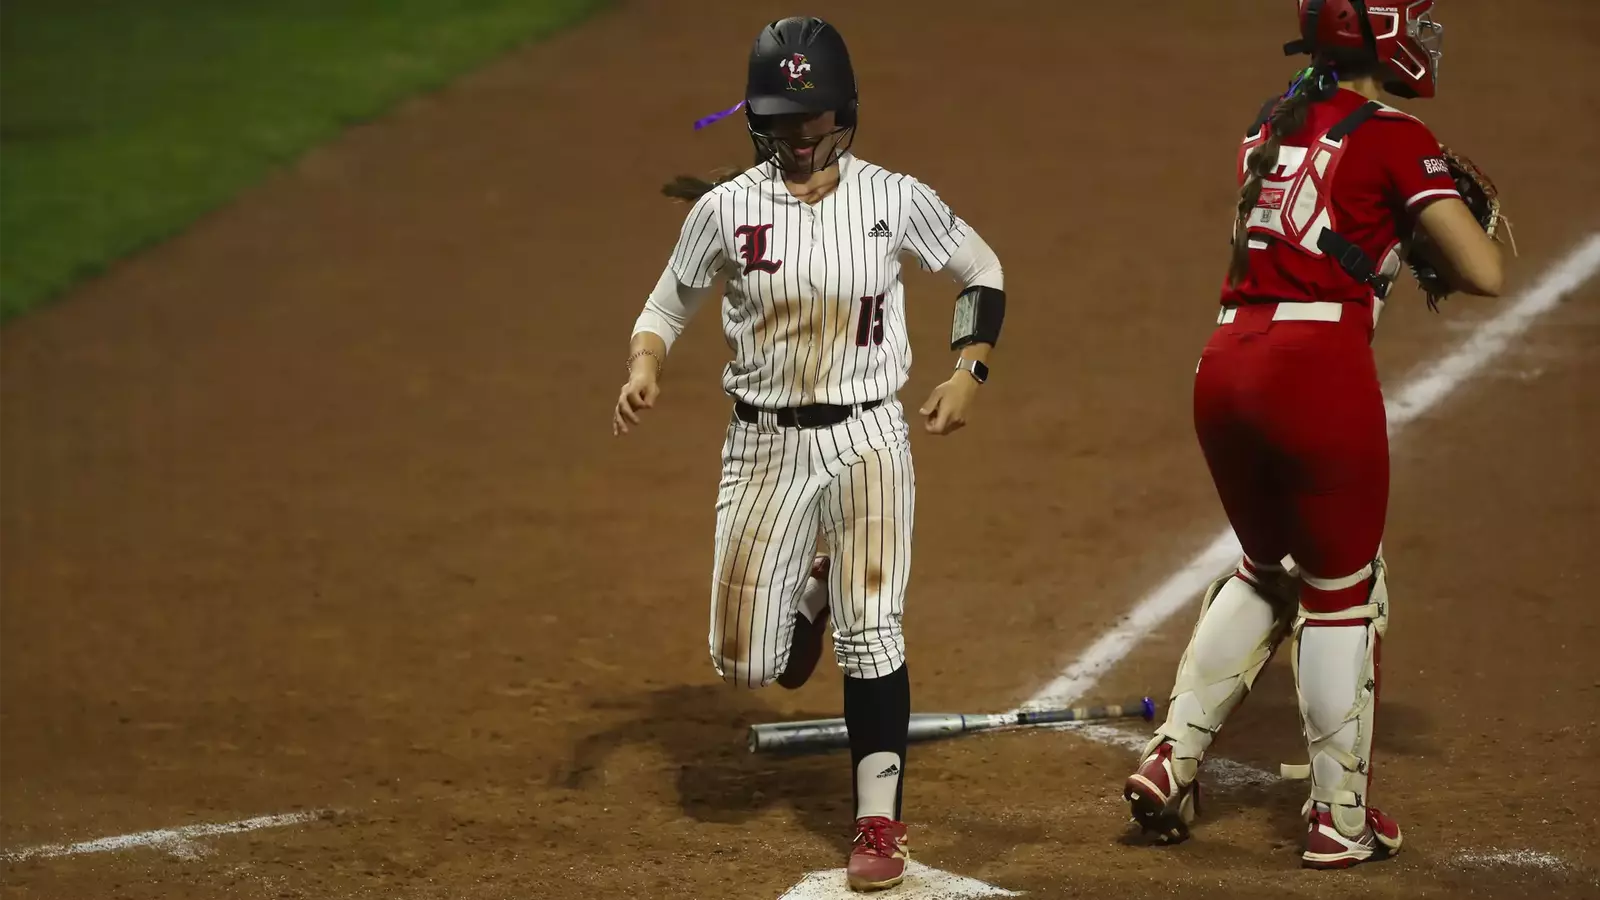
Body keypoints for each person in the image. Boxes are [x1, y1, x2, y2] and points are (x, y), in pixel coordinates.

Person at [612, 16, 1007, 891]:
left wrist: (968, 371)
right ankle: (811, 593)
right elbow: (664, 306)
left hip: (870, 434)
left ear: (844, 112)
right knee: (747, 663)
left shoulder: (894, 198)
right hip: (762, 444)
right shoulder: (724, 212)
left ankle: (877, 822)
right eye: (782, 120)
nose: (799, 135)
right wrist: (645, 367)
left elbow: (982, 270)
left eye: (813, 117)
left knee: (875, 635)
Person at [1122, 0, 1505, 869]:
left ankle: (1171, 757)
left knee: (1267, 567)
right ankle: (1339, 817)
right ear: (1379, 33)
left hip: (1223, 363)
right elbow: (1484, 272)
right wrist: (1430, 209)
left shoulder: (1274, 116)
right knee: (1342, 588)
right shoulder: (1398, 136)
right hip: (1314, 370)